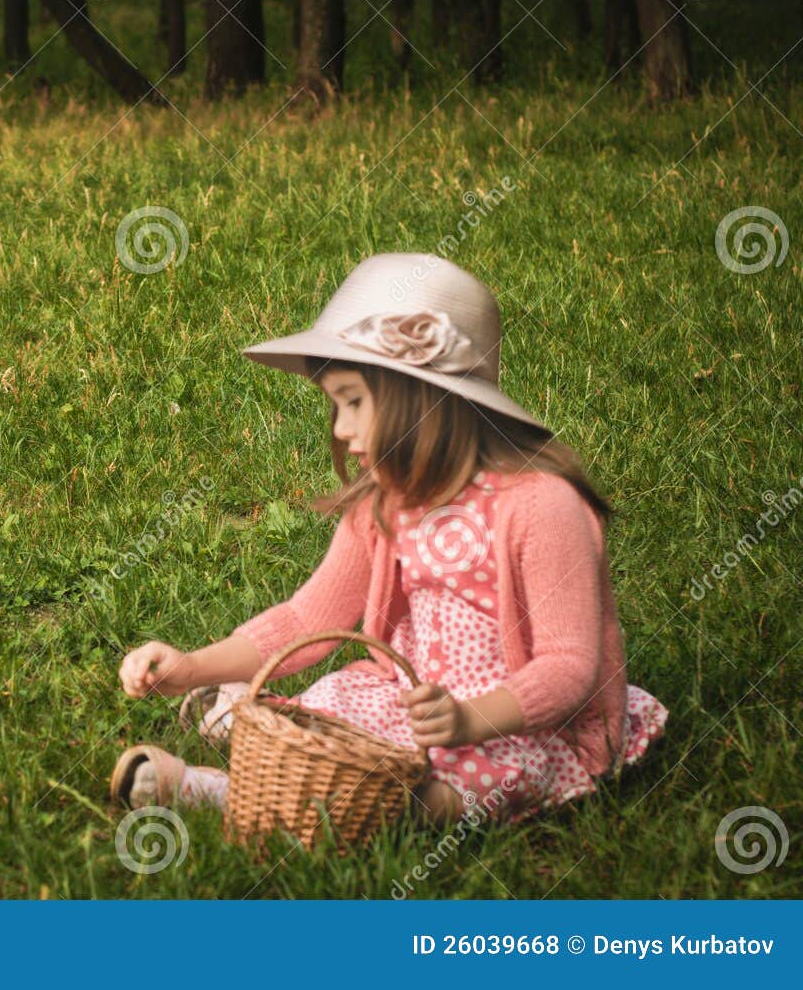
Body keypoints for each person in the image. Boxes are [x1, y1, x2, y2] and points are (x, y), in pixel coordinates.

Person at [111, 253, 668, 826]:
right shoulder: (387, 501)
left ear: (418, 397)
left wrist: (469, 722)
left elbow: (569, 667)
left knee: (451, 794)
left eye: (353, 401)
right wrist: (190, 666)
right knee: (331, 713)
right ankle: (253, 739)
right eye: (335, 405)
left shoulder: (543, 507)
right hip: (407, 699)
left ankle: (223, 789)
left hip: (519, 721)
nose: (340, 429)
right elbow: (306, 619)